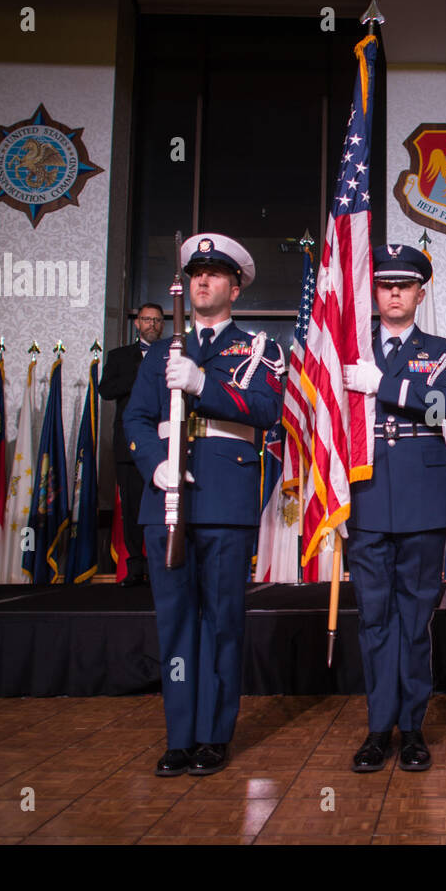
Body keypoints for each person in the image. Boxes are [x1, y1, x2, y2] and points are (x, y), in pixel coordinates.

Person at [124, 233, 283, 777]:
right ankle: (179, 735)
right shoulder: (162, 351)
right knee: (174, 624)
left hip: (224, 500)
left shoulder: (259, 347)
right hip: (165, 499)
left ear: (234, 287)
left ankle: (214, 735)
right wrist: (153, 464)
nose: (202, 282)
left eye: (214, 275)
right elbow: (136, 420)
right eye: (195, 274)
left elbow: (266, 410)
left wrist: (202, 384)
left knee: (222, 622)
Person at [340, 244, 446, 773]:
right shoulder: (347, 348)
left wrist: (383, 385)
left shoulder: (443, 347)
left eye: (404, 285)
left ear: (419, 291)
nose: (394, 293)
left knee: (414, 620)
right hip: (364, 497)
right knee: (374, 619)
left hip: (420, 499)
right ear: (376, 292)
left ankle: (412, 728)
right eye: (386, 285)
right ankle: (377, 728)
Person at [99, 302, 165, 587]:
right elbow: (106, 390)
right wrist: (141, 372)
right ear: (137, 323)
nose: (152, 324)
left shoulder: (170, 354)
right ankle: (135, 567)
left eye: (157, 320)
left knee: (161, 507)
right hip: (129, 446)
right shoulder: (120, 356)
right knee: (132, 507)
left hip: (163, 444)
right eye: (147, 319)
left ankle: (161, 565)